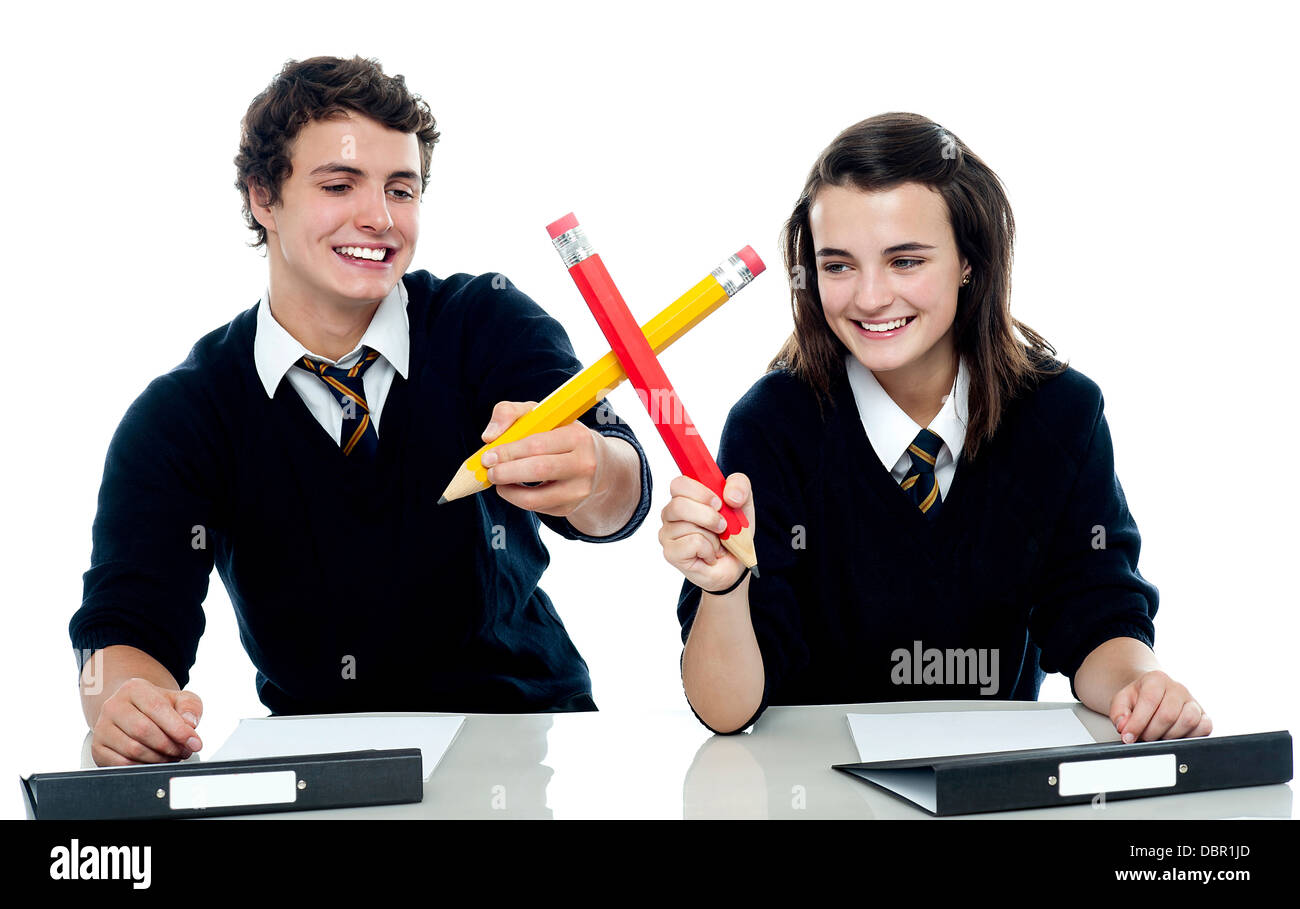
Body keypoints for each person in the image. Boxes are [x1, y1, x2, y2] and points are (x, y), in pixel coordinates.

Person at [71, 56, 651, 767]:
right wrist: (130, 706)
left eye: (400, 189)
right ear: (263, 196)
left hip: (520, 737)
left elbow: (618, 490)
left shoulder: (486, 320)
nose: (378, 218)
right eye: (339, 184)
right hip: (320, 765)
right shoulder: (182, 414)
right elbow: (127, 626)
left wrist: (594, 472)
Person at [659, 112, 1212, 741]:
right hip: (811, 788)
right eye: (838, 266)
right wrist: (725, 586)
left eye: (905, 261)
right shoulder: (773, 424)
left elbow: (1095, 610)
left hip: (987, 787)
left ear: (970, 261)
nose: (869, 298)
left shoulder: (1061, 413)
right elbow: (728, 710)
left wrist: (1143, 687)